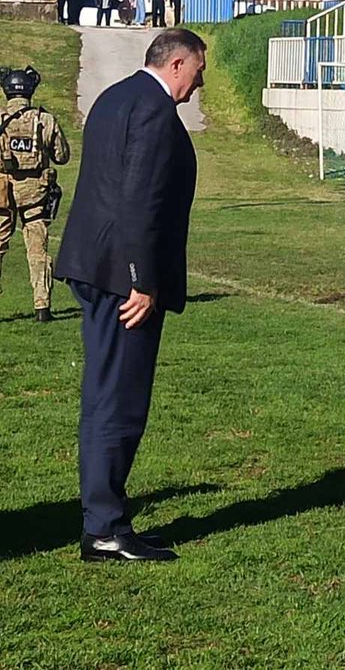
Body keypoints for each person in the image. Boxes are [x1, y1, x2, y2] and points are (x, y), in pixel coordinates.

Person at [54, 28, 205, 562]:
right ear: (178, 64)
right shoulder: (152, 110)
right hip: (123, 279)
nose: (199, 83)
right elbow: (137, 200)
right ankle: (104, 528)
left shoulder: (114, 97)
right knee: (118, 402)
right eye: (199, 71)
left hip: (96, 266)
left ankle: (106, 518)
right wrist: (142, 280)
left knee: (104, 396)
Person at [0, 66, 69, 322]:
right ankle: (42, 306)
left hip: (2, 192)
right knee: (38, 249)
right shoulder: (44, 119)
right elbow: (62, 156)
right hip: (34, 192)